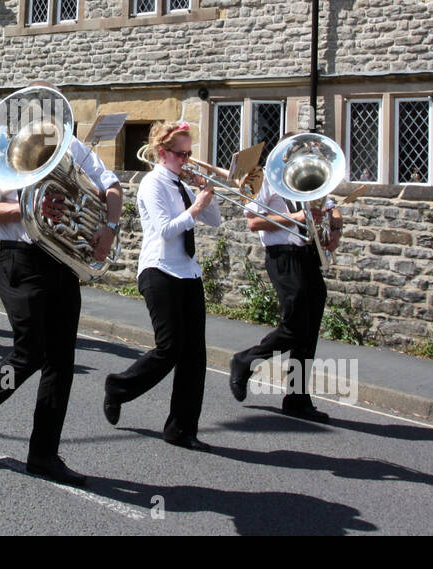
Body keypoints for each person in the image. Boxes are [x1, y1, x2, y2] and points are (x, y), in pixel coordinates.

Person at [0, 88, 122, 487]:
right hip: (18, 257)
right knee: (31, 350)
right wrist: (28, 207)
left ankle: (43, 454)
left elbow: (111, 185)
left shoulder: (72, 148)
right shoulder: (1, 154)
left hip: (61, 260)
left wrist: (109, 227)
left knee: (61, 361)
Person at [102, 121, 220, 449]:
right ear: (163, 153)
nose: (187, 159)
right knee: (169, 348)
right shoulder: (153, 184)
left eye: (189, 153)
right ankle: (118, 388)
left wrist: (208, 192)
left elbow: (214, 220)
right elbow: (167, 229)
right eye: (181, 154)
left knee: (195, 356)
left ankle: (181, 429)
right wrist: (196, 205)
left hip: (188, 273)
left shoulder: (184, 184)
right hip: (159, 271)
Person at [229, 136, 343, 422]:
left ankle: (297, 399)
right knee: (294, 326)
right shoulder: (264, 178)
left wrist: (336, 227)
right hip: (282, 257)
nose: (303, 158)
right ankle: (245, 361)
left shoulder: (303, 178)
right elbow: (254, 221)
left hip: (307, 255)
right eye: (298, 152)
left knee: (310, 327)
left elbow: (331, 204)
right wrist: (297, 218)